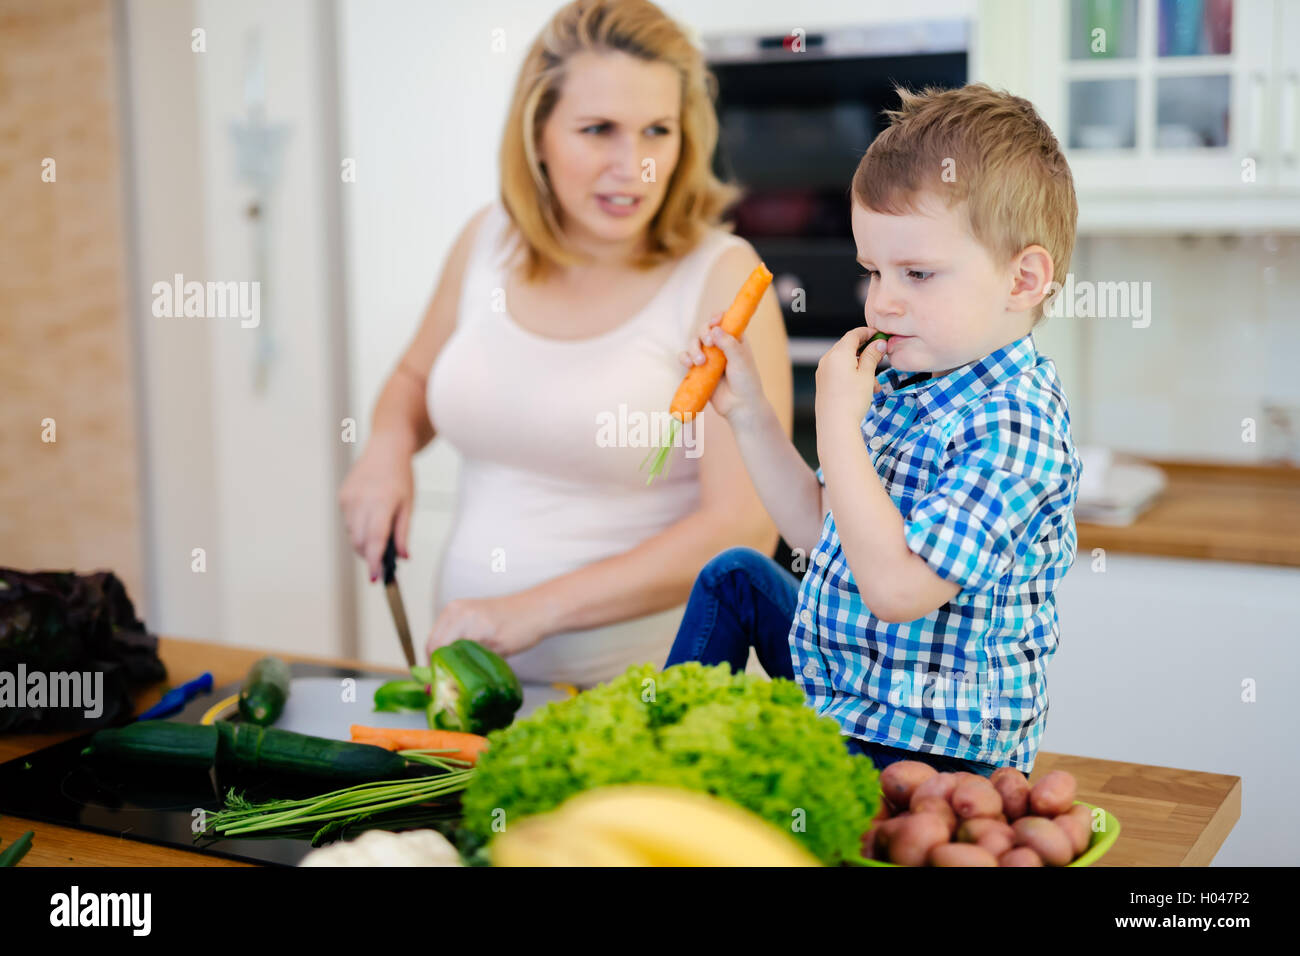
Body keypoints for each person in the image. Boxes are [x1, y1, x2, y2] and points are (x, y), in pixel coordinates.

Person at [338, 0, 792, 687]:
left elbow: (743, 528)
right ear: (538, 134)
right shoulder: (487, 241)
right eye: (598, 129)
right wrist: (385, 449)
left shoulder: (724, 278)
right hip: (475, 696)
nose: (633, 165)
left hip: (646, 703)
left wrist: (530, 611)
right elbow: (411, 380)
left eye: (656, 131)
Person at [664, 83, 1082, 778]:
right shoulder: (905, 381)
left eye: (917, 273)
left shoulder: (1015, 422)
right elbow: (823, 531)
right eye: (873, 271)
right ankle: (655, 772)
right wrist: (752, 415)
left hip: (936, 750)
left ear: (1023, 279)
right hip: (851, 705)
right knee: (736, 576)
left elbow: (894, 591)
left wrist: (834, 424)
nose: (882, 300)